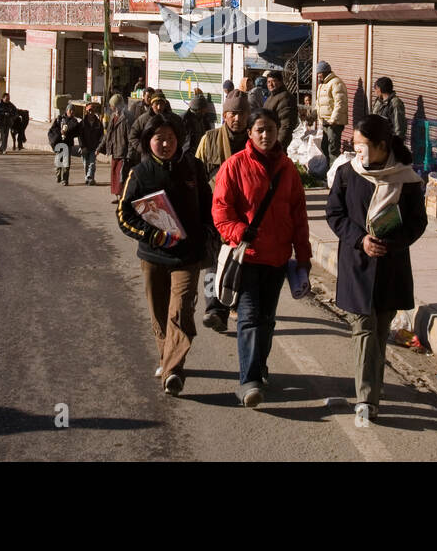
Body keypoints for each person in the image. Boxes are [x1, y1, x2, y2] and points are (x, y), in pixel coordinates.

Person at [325, 114, 427, 421]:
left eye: (362, 145)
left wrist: (391, 243)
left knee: (380, 331)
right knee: (363, 328)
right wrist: (360, 240)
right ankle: (366, 398)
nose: (357, 151)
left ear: (382, 146)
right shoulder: (347, 174)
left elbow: (417, 223)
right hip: (356, 263)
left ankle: (372, 393)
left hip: (390, 267)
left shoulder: (406, 179)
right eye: (354, 145)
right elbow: (334, 214)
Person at [213, 107, 310, 407]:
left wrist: (303, 258)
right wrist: (239, 230)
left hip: (278, 259)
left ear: (279, 130)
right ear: (250, 134)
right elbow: (220, 212)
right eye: (260, 130)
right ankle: (249, 381)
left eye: (270, 129)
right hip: (248, 258)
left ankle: (259, 367)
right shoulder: (233, 166)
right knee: (250, 317)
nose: (266, 135)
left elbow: (299, 215)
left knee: (267, 320)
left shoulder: (288, 169)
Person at [117, 114, 213, 396]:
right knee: (159, 315)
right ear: (149, 142)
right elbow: (124, 215)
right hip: (153, 256)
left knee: (181, 310)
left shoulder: (193, 168)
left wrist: (208, 231)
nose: (166, 143)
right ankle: (167, 356)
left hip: (188, 256)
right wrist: (150, 234)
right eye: (159, 138)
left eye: (171, 138)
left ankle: (173, 371)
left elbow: (209, 205)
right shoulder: (140, 173)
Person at [194, 89, 253, 332]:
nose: (236, 118)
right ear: (225, 115)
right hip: (213, 214)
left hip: (243, 217)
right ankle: (213, 309)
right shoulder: (209, 139)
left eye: (241, 113)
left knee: (237, 263)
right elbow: (197, 176)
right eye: (232, 113)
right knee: (211, 263)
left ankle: (234, 305)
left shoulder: (255, 142)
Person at [314, 61, 349, 165]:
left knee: (333, 149)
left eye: (319, 74)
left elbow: (340, 103)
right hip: (325, 122)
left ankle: (334, 174)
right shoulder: (323, 84)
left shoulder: (336, 82)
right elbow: (319, 103)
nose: (318, 76)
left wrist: (333, 120)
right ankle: (330, 171)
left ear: (324, 72)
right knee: (324, 146)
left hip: (334, 123)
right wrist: (314, 113)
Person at [102, 93, 132, 202]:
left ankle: (122, 197)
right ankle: (117, 196)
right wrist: (99, 148)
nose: (111, 108)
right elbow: (108, 134)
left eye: (112, 105)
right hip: (114, 150)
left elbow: (130, 137)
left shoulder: (126, 118)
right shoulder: (113, 116)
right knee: (114, 174)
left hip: (122, 151)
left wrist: (129, 153)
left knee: (121, 175)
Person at [263, 70, 297, 149]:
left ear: (280, 82)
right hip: (268, 140)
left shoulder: (286, 98)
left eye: (273, 81)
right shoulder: (271, 97)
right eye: (268, 82)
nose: (270, 84)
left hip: (276, 142)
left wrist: (278, 146)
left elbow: (286, 125)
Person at [49, 106, 81, 185]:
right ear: (66, 111)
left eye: (73, 110)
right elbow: (53, 129)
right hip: (59, 142)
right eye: (70, 110)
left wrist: (66, 131)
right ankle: (58, 175)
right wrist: (60, 132)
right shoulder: (59, 119)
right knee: (58, 161)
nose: (72, 112)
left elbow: (75, 130)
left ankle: (65, 180)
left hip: (68, 144)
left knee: (66, 163)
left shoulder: (74, 121)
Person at [371, 77, 407, 144]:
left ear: (380, 89)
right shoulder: (378, 101)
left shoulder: (395, 103)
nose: (375, 91)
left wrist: (397, 143)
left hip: (389, 142)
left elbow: (398, 126)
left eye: (375, 89)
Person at [78, 102, 105, 185]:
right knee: (86, 164)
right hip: (85, 147)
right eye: (89, 111)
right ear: (86, 111)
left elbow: (102, 136)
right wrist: (82, 147)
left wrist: (99, 147)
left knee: (92, 163)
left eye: (92, 111)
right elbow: (80, 136)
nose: (91, 112)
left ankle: (90, 178)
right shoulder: (82, 123)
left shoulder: (98, 123)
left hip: (94, 147)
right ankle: (88, 178)